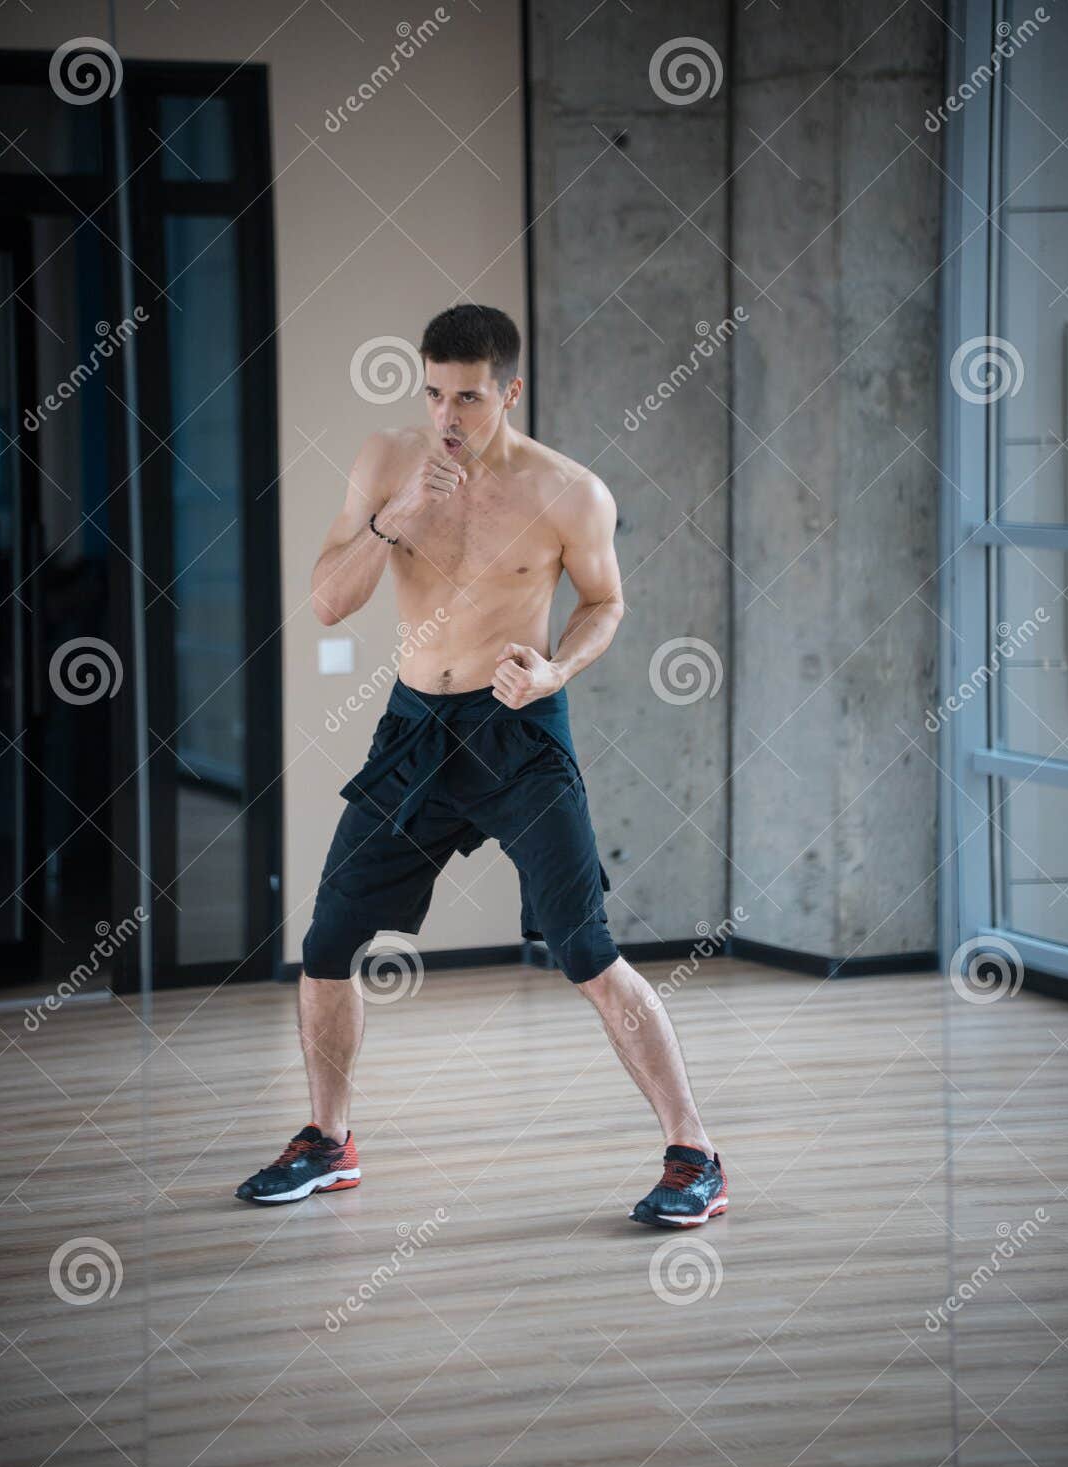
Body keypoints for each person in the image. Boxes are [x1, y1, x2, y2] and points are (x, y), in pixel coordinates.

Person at [236, 304, 727, 1228]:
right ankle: (328, 1141)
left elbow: (606, 603)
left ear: (508, 390)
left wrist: (556, 668)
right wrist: (400, 515)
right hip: (414, 731)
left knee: (587, 951)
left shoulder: (569, 492)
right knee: (329, 941)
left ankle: (694, 1154)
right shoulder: (386, 464)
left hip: (517, 737)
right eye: (432, 394)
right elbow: (328, 604)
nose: (446, 417)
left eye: (467, 396)